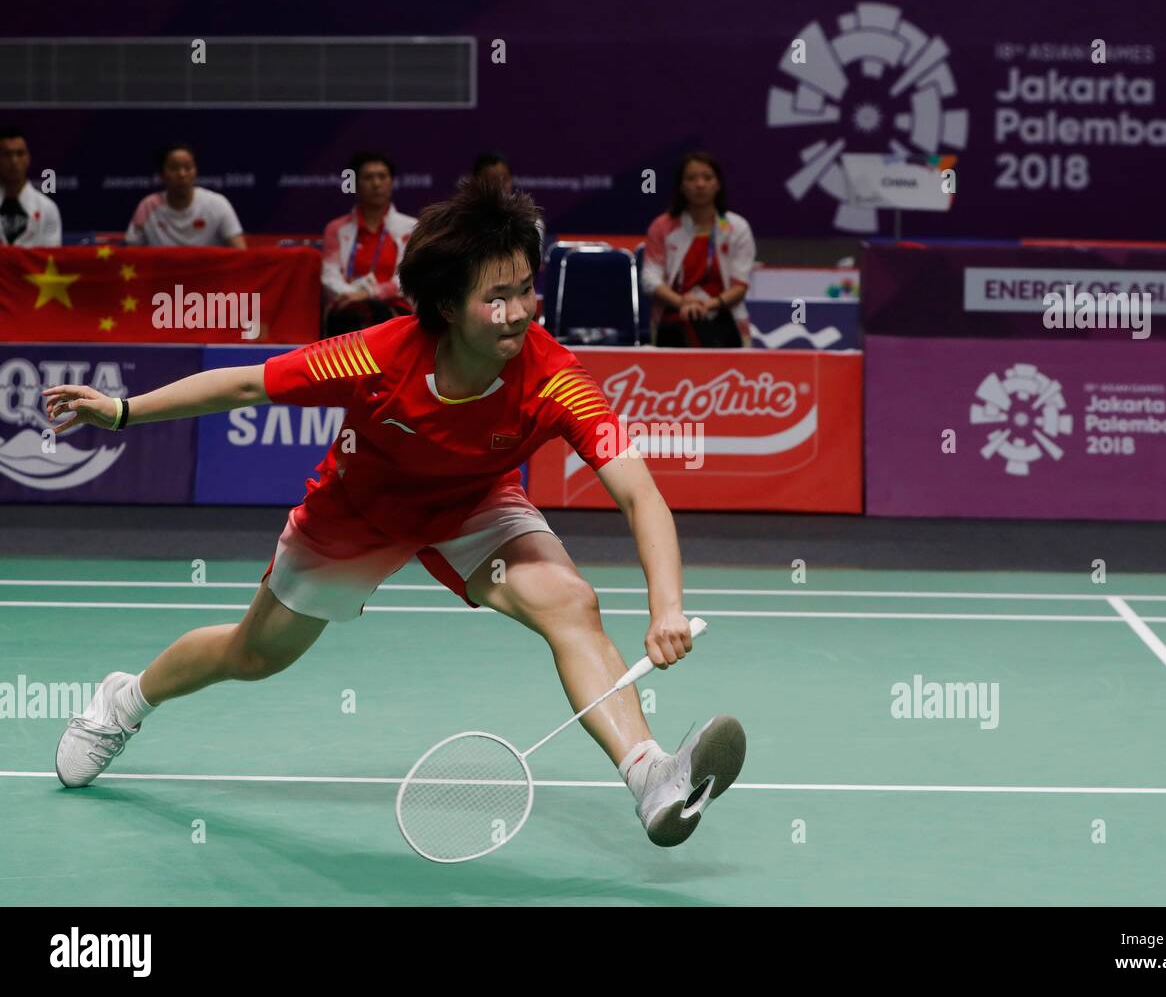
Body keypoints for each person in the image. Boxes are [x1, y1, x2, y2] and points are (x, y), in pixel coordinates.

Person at [44, 178, 745, 849]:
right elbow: (247, 382)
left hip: (474, 505)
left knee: (571, 601)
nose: (518, 311)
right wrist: (124, 410)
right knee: (252, 654)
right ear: (445, 303)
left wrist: (666, 605)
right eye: (495, 296)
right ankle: (125, 699)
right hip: (357, 513)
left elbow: (638, 492)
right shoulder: (378, 356)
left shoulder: (554, 376)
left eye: (526, 288)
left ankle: (650, 773)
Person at [642, 151, 755, 347]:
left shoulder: (736, 227)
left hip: (725, 320)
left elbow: (740, 285)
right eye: (691, 178)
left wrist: (707, 305)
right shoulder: (662, 227)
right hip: (673, 320)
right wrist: (681, 302)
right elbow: (650, 278)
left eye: (707, 177)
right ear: (681, 186)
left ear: (718, 184)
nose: (700, 184)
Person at [321, 151, 417, 336]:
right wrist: (351, 296)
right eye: (368, 177)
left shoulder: (410, 228)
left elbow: (409, 278)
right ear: (355, 184)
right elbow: (329, 276)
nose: (376, 183)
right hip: (348, 312)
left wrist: (371, 294)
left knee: (378, 314)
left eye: (382, 176)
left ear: (391, 182)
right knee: (352, 316)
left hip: (394, 312)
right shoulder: (336, 229)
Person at [124, 144, 246, 248]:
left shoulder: (218, 204)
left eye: (188, 167)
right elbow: (132, 253)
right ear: (161, 174)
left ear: (195, 171)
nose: (182, 174)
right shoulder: (147, 206)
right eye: (173, 168)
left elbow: (240, 252)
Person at [472, 151, 545, 256]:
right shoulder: (462, 218)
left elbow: (533, 267)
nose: (500, 186)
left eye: (505, 179)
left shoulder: (530, 222)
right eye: (491, 180)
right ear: (475, 180)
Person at [0, 127, 62, 247]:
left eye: (20, 153)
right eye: (7, 154)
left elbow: (49, 259)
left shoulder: (48, 209)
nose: (14, 161)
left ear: (28, 158)